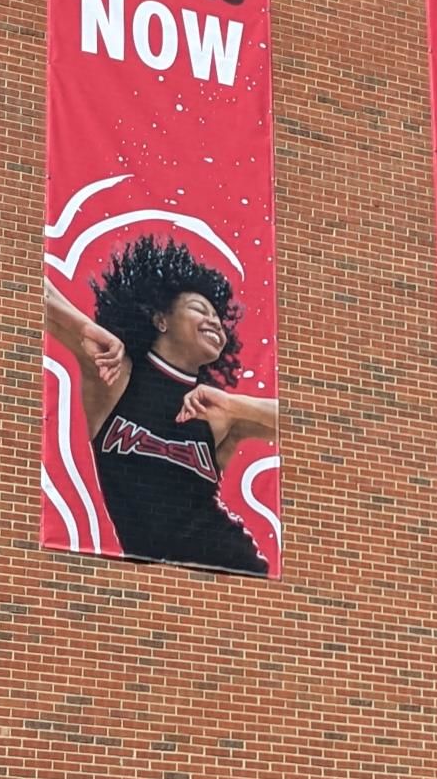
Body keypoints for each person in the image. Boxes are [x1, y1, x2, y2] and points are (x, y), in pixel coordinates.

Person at [43, 236, 277, 575]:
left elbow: (308, 422)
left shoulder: (219, 411)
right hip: (154, 581)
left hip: (236, 573)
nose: (214, 321)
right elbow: (31, 283)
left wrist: (234, 403)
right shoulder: (116, 376)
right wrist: (84, 327)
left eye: (218, 318)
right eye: (200, 309)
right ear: (160, 320)